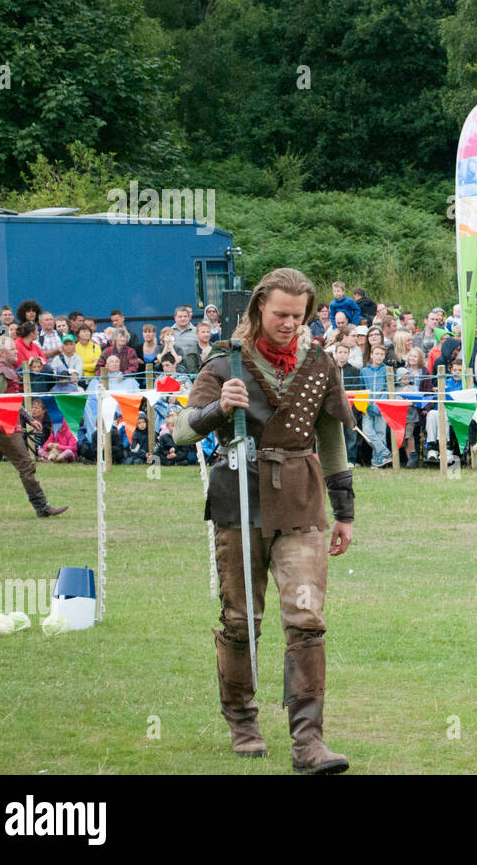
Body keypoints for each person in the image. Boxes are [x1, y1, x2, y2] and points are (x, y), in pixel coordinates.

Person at [172, 267, 357, 774]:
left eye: (298, 316)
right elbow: (179, 432)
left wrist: (346, 512)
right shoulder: (224, 362)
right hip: (239, 501)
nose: (289, 324)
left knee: (307, 620)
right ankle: (242, 720)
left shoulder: (319, 363)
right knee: (240, 623)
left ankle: (308, 743)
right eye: (280, 314)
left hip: (300, 503)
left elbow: (333, 441)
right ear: (258, 308)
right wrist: (215, 411)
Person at [0, 336, 68, 518]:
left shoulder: (0, 370)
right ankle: (42, 508)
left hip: (0, 426)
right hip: (3, 427)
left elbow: (10, 400)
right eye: (12, 350)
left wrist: (29, 419)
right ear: (2, 353)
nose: (16, 352)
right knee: (26, 465)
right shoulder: (0, 372)